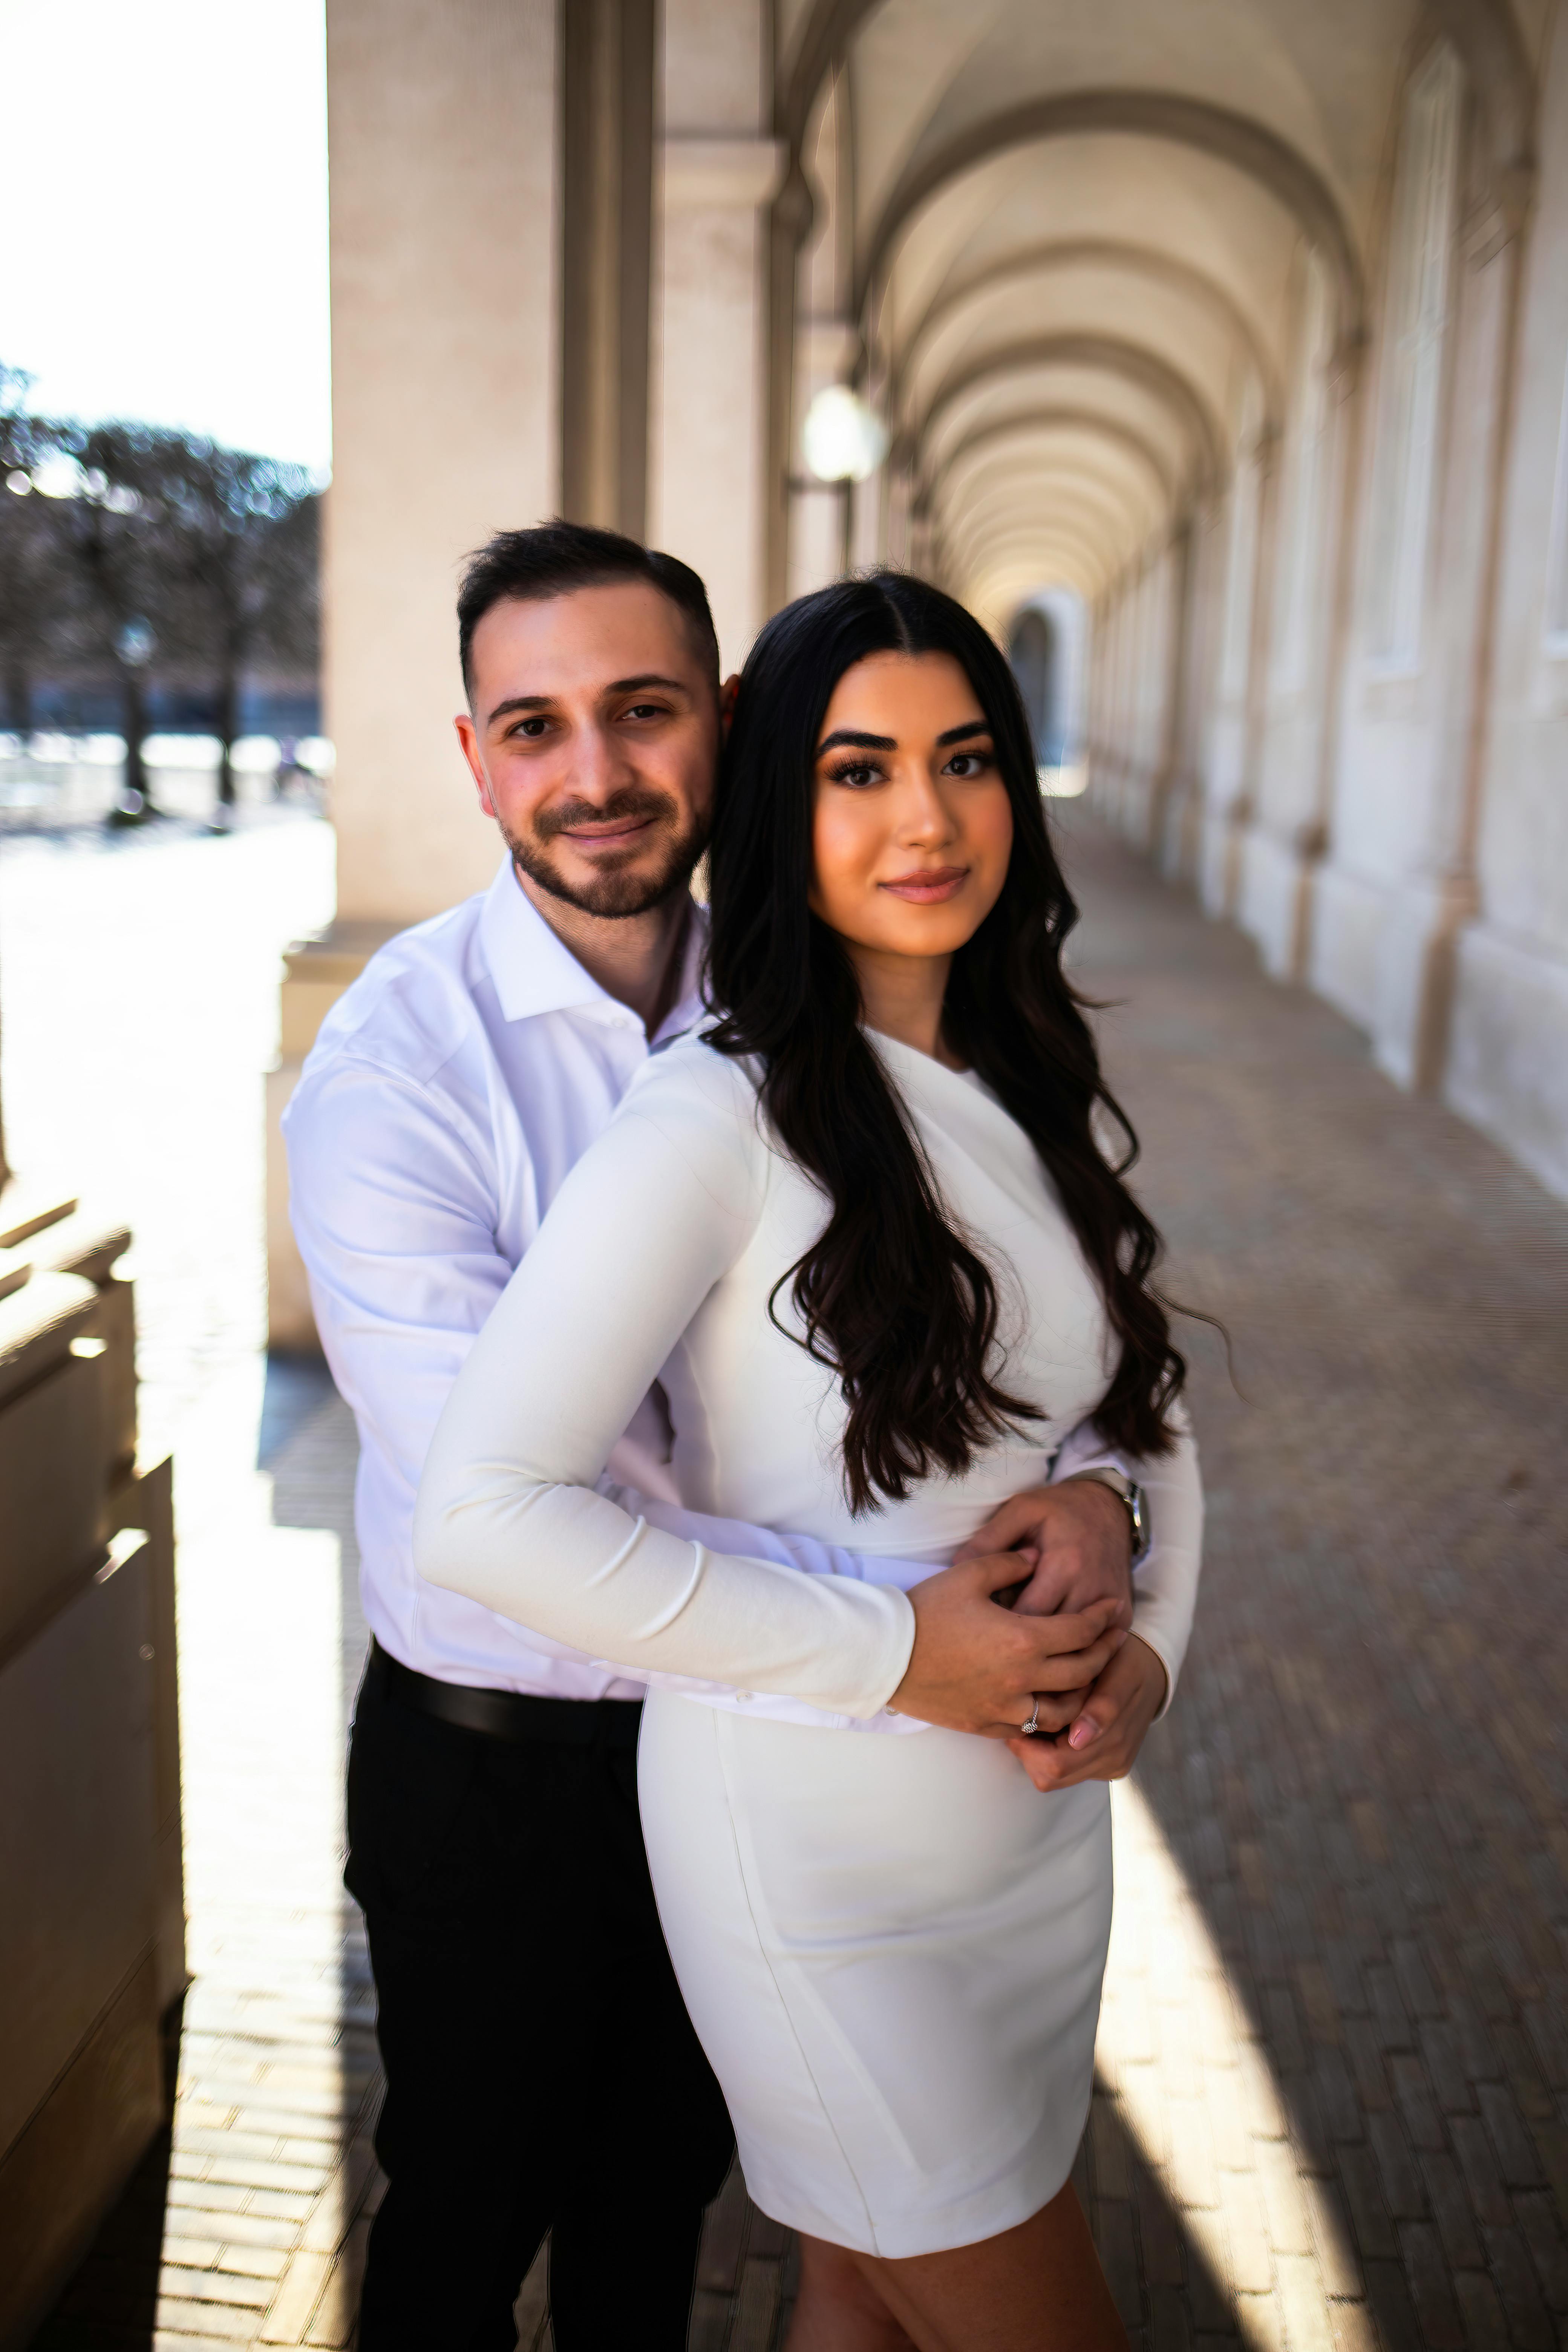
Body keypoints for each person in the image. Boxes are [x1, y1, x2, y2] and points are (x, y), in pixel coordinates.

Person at [284, 525, 1154, 2352]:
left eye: (642, 710)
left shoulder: (823, 1004)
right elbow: (491, 1504)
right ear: (473, 760)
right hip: (512, 1762)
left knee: (662, 2220)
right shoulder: (397, 1070)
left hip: (788, 1745)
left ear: (728, 722)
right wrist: (905, 1636)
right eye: (533, 728)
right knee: (461, 2214)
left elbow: (1011, 1369)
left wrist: (1090, 1504)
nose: (593, 773)